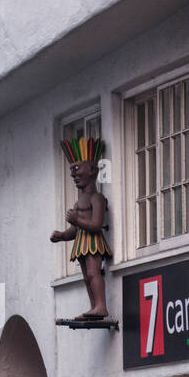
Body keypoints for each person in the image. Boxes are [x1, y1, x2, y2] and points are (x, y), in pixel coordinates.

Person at [51, 137, 110, 319]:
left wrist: (77, 220)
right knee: (86, 277)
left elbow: (96, 224)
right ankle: (93, 307)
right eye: (72, 171)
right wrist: (62, 235)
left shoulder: (96, 198)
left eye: (77, 170)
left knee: (93, 273)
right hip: (82, 243)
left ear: (92, 170)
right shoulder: (80, 200)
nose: (73, 175)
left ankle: (101, 306)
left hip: (93, 242)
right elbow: (75, 230)